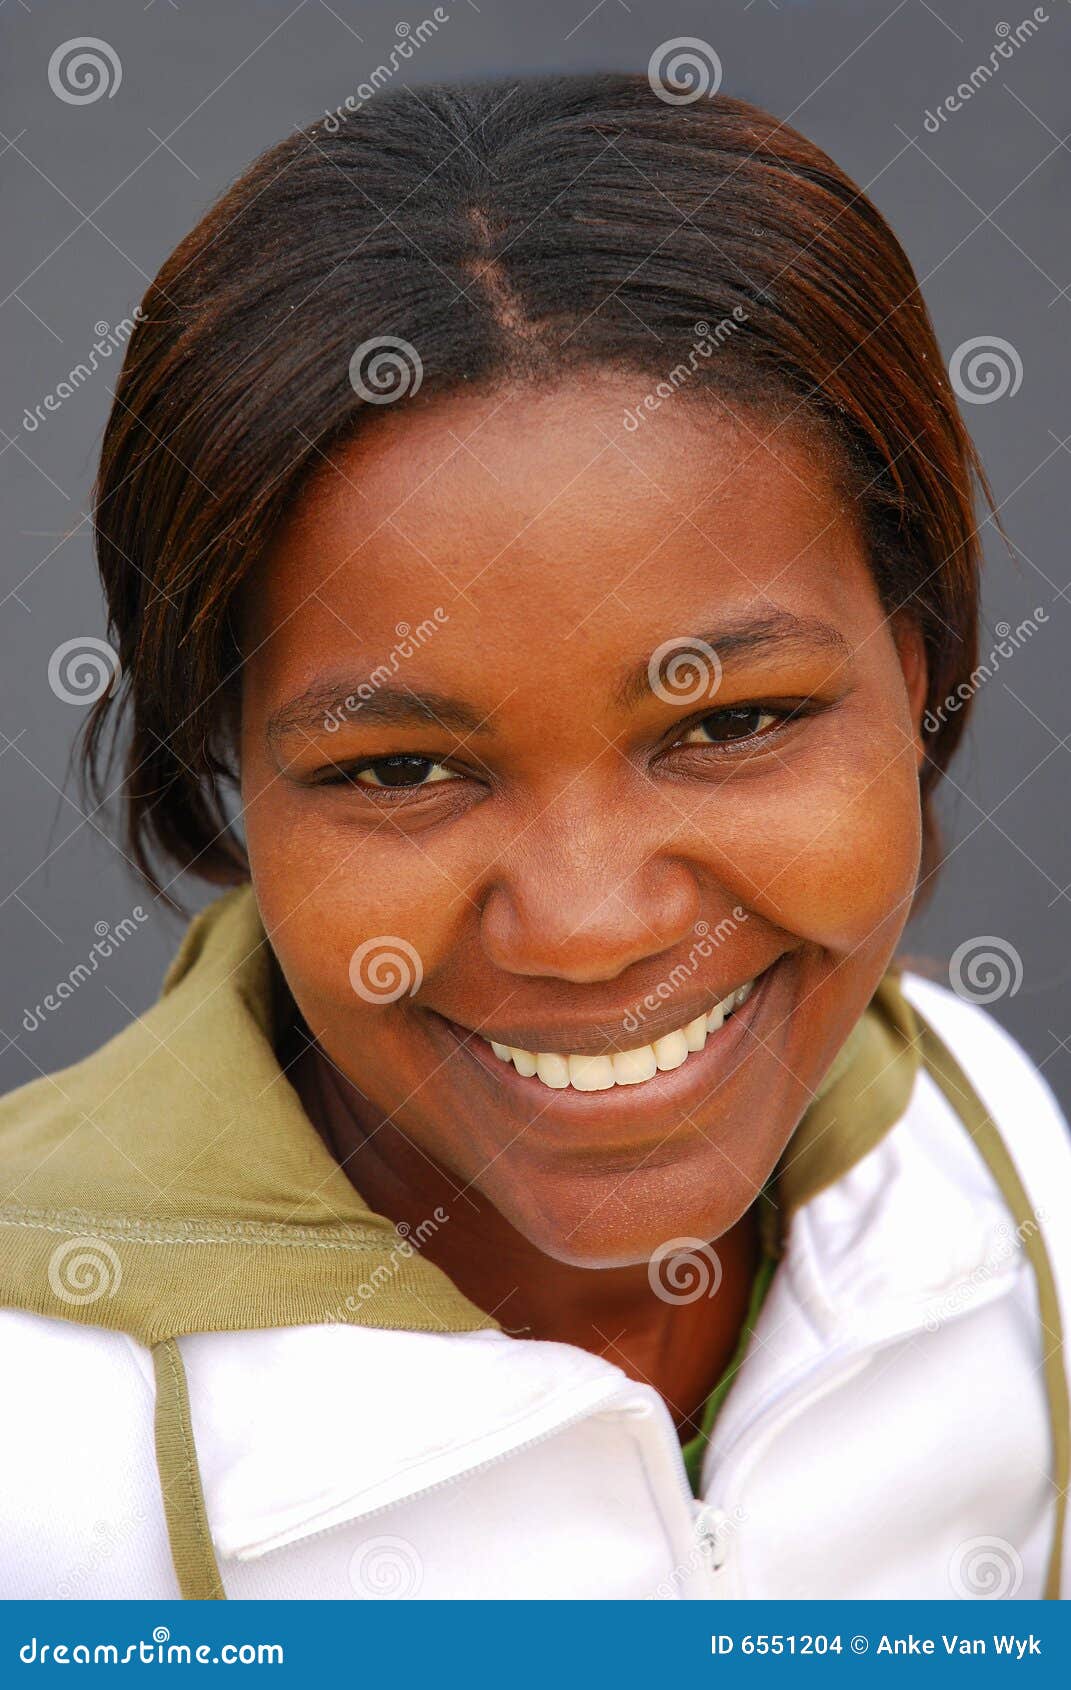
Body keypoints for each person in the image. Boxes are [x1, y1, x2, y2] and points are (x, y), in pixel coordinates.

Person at [1, 73, 1068, 1601]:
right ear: (225, 762)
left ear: (917, 668)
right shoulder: (38, 1428)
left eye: (730, 722)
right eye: (402, 766)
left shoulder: (989, 1159)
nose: (590, 925)